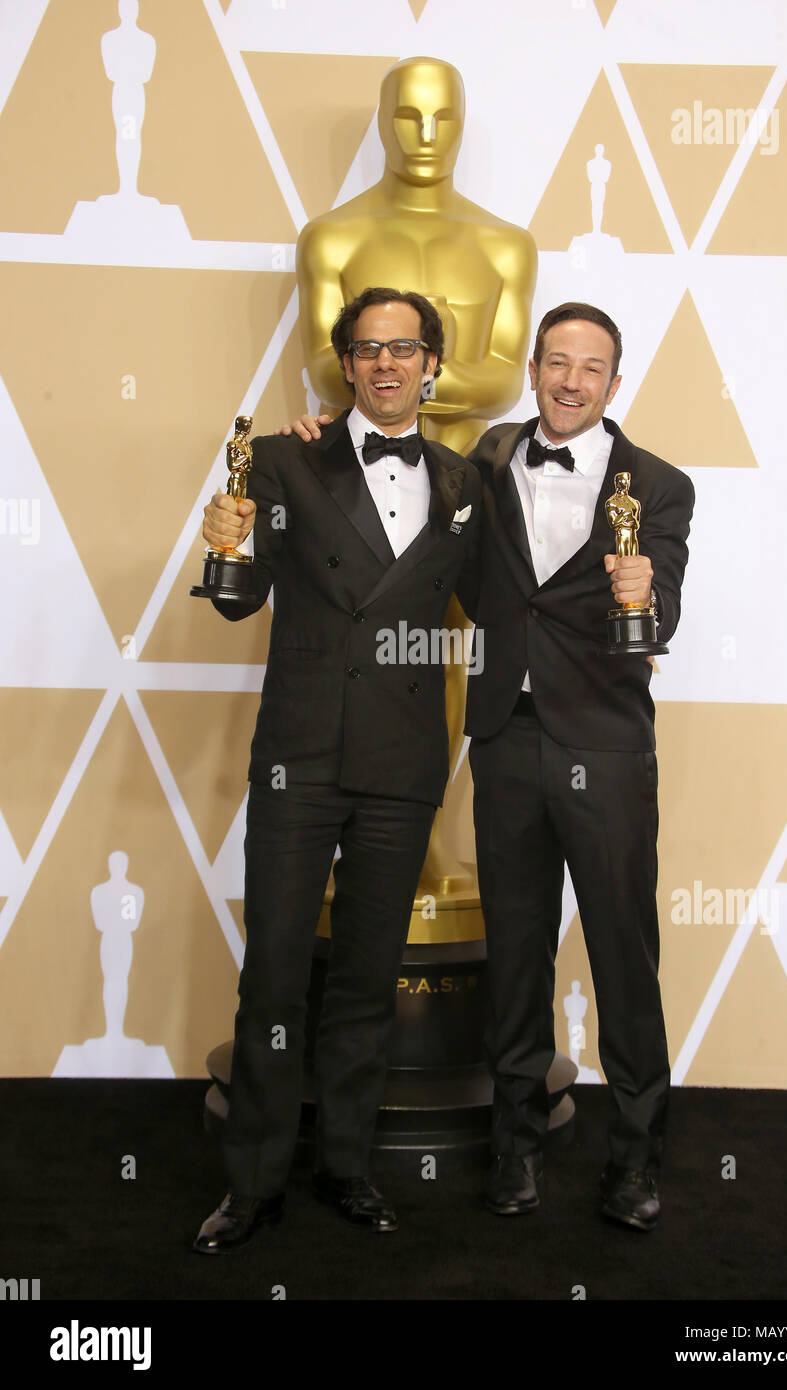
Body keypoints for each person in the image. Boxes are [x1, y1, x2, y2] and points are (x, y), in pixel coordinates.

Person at [192, 287, 481, 1254]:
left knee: (365, 980)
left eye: (405, 348)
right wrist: (226, 548)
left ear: (432, 363)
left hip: (403, 766)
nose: (387, 365)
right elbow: (240, 604)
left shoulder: (463, 484)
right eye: (368, 349)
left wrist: (621, 629)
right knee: (274, 977)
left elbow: (502, 605)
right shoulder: (281, 459)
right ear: (345, 364)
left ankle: (346, 1169)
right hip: (299, 762)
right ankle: (255, 1183)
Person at [461, 302, 695, 1230]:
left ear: (613, 382)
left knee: (623, 957)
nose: (569, 381)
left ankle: (635, 1162)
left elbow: (662, 604)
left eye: (589, 368)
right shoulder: (481, 462)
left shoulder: (661, 486)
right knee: (514, 952)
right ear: (532, 368)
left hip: (603, 736)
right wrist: (314, 441)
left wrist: (651, 593)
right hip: (507, 739)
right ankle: (515, 1146)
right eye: (556, 362)